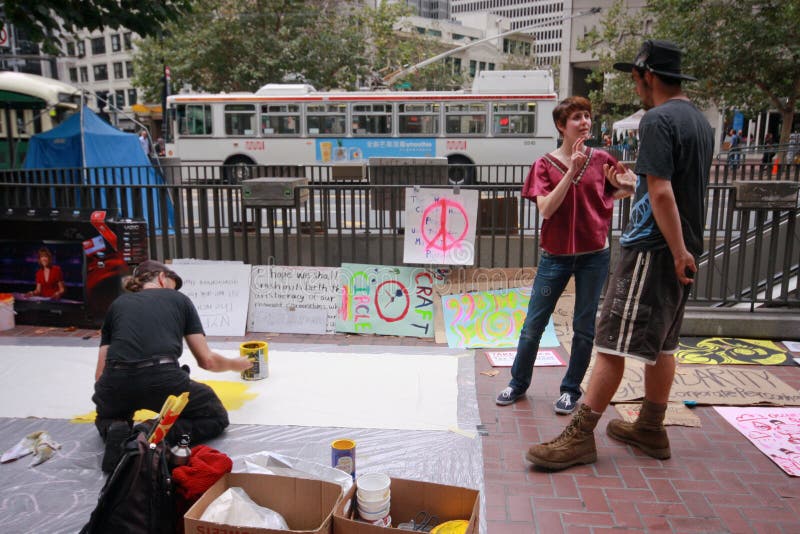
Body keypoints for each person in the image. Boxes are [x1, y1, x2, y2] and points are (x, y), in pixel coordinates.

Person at [526, 39, 713, 471]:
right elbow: (670, 188)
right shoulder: (699, 122)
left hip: (653, 249)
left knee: (609, 343)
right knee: (663, 345)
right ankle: (650, 426)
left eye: (635, 78)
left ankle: (579, 438)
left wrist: (675, 250)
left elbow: (661, 192)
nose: (635, 86)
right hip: (682, 248)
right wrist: (682, 249)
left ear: (647, 75)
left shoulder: (658, 119)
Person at [495, 96, 635, 414]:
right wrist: (572, 170)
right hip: (555, 257)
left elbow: (617, 192)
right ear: (561, 126)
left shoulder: (602, 159)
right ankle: (518, 383)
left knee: (584, 326)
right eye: (576, 117)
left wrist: (627, 186)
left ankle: (570, 390)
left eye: (587, 116)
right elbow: (546, 209)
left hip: (594, 256)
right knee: (534, 324)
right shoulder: (544, 165)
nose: (584, 122)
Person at [92, 260, 252, 472]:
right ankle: (150, 432)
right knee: (215, 417)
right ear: (161, 277)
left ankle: (115, 427)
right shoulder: (179, 299)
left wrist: (108, 401)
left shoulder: (118, 304)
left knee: (108, 416)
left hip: (116, 380)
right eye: (172, 285)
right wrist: (235, 364)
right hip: (162, 378)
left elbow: (100, 374)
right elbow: (207, 361)